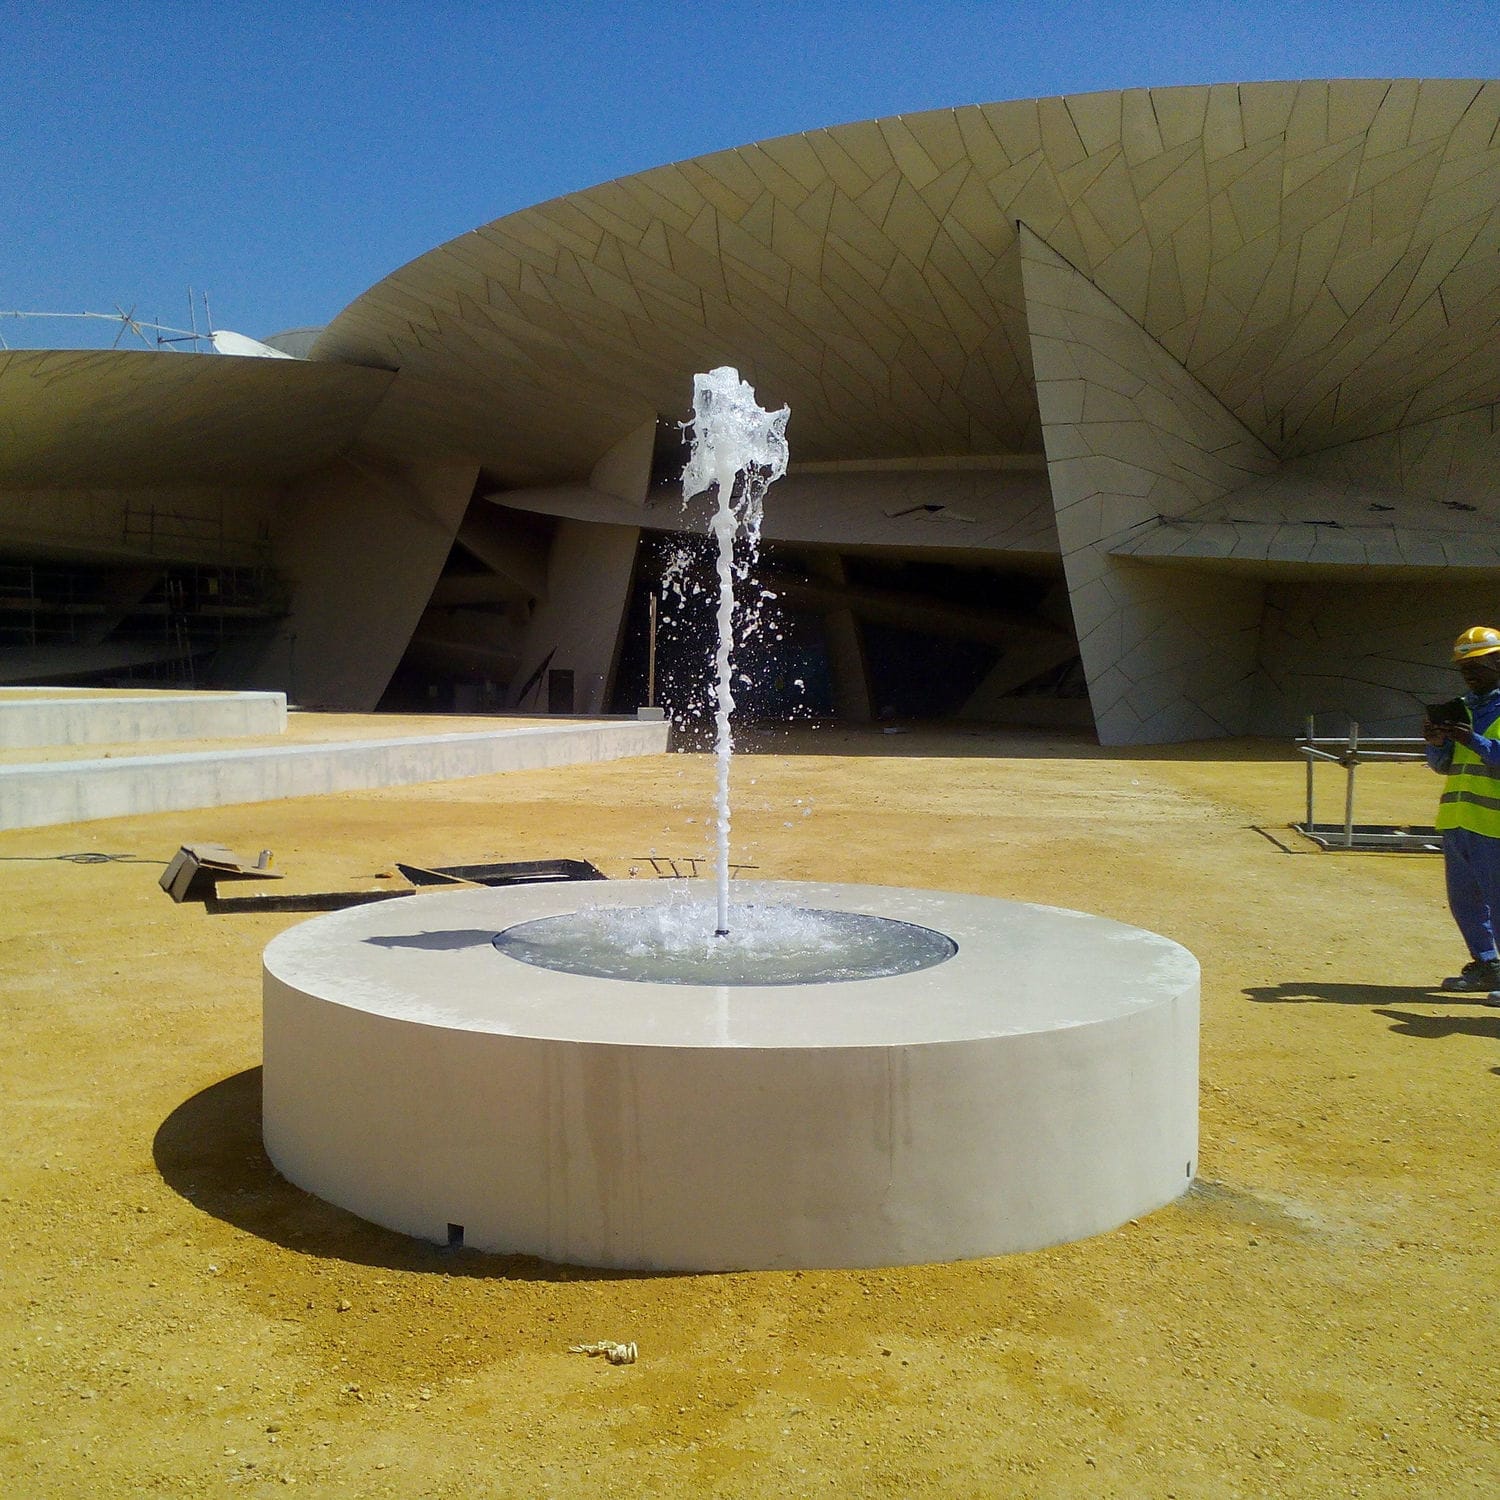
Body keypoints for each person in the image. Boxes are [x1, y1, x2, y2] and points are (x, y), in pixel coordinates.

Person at [1424, 626, 1500, 1001]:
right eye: (1463, 666)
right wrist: (1438, 744)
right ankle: (1488, 965)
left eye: (1477, 664)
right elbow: (1444, 766)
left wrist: (1474, 740)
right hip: (1459, 821)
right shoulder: (1464, 707)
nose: (1469, 673)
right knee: (1466, 902)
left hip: (1495, 826)